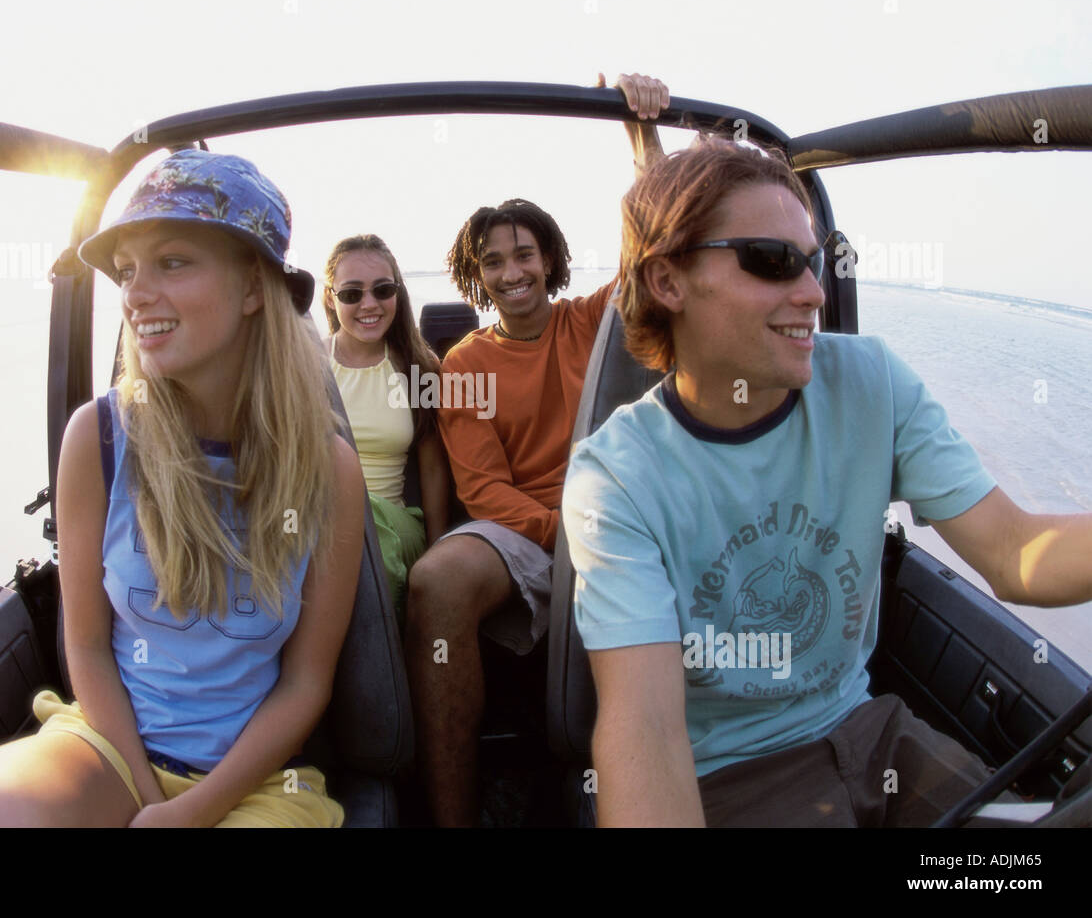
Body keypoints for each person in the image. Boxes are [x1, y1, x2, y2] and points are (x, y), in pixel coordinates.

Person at [563, 135, 1092, 826]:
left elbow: (1017, 551)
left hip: (872, 736)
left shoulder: (871, 381)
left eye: (812, 262)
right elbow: (645, 730)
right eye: (773, 261)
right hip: (729, 775)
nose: (813, 292)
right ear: (668, 281)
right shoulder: (617, 476)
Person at [0, 150, 364, 827]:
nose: (134, 292)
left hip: (252, 781)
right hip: (108, 747)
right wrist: (142, 793)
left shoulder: (329, 469)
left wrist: (193, 811)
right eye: (128, 271)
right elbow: (88, 645)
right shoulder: (97, 438)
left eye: (172, 261)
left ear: (254, 286)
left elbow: (307, 681)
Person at [405, 72, 670, 826]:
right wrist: (567, 539)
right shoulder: (463, 367)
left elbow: (659, 237)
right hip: (530, 531)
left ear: (551, 258)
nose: (512, 272)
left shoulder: (594, 321)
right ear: (477, 277)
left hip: (616, 518)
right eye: (493, 261)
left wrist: (640, 132)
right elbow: (484, 491)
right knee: (437, 580)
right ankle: (452, 814)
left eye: (524, 254)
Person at [323, 234, 449, 613]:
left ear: (398, 292)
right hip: (323, 524)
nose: (369, 305)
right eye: (351, 294)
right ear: (330, 298)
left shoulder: (419, 368)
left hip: (394, 527)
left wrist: (439, 549)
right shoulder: (308, 364)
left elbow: (432, 467)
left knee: (365, 516)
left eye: (382, 290)